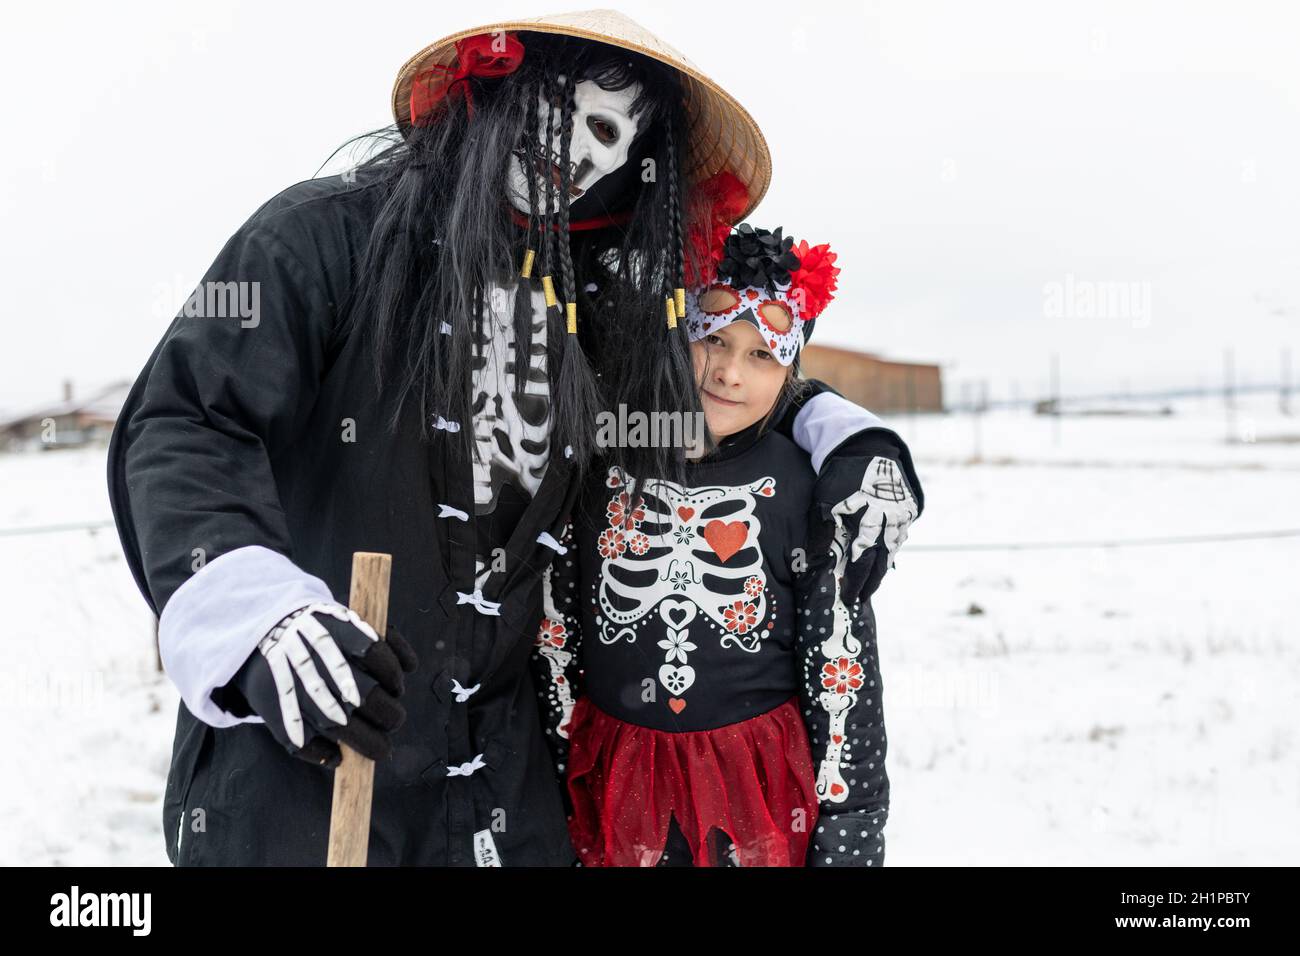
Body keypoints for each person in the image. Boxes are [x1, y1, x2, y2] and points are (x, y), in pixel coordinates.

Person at [109, 9, 913, 866]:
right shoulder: (319, 235)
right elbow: (187, 419)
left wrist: (847, 433)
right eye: (572, 111)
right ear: (502, 86)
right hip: (308, 757)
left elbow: (711, 389)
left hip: (501, 785)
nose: (585, 155)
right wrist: (259, 618)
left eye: (613, 136)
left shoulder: (581, 299)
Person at [532, 222, 924, 866]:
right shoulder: (605, 458)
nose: (728, 371)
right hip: (614, 782)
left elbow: (843, 678)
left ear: (791, 372)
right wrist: (549, 792)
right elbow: (557, 638)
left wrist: (850, 835)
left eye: (762, 354)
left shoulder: (807, 486)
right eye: (712, 338)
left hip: (759, 794)